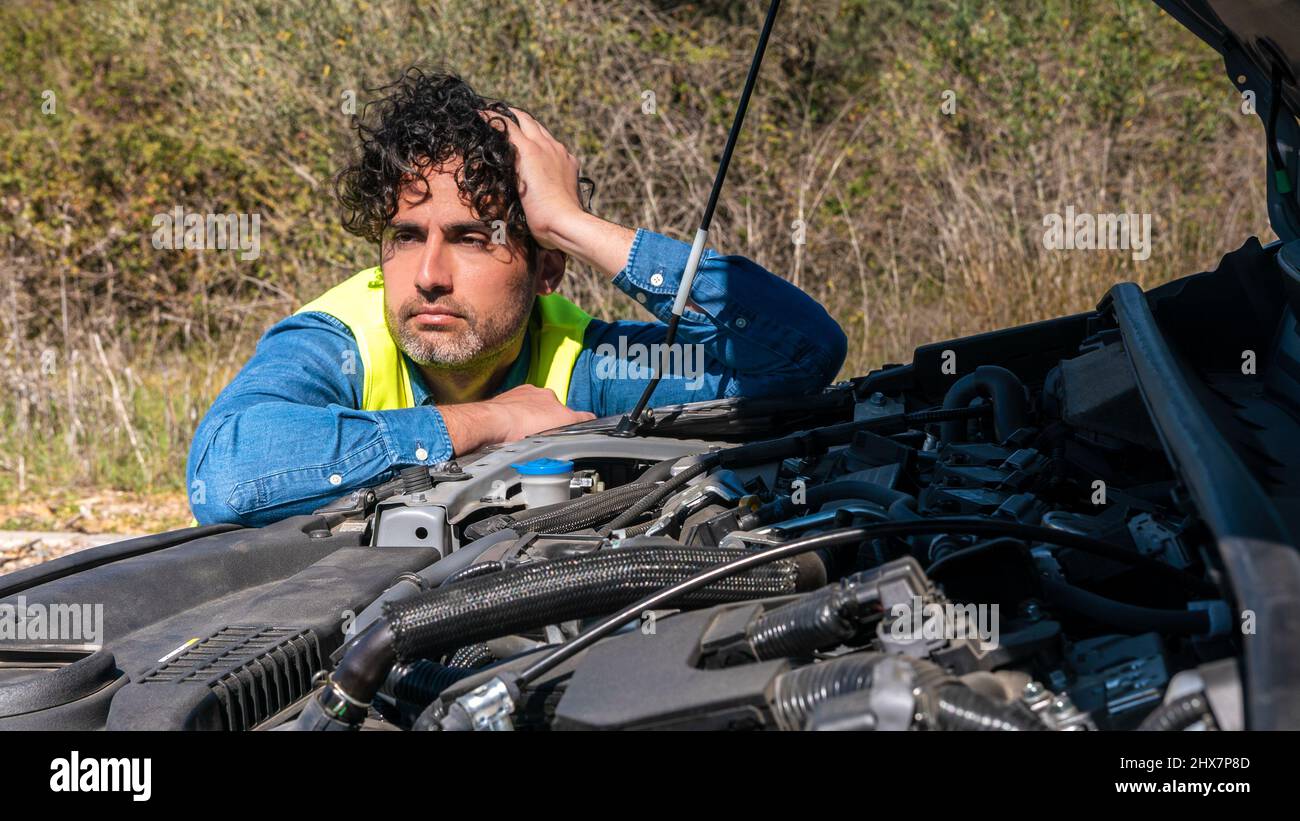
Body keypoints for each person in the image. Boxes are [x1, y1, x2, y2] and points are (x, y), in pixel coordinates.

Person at [187, 68, 846, 526]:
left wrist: (571, 223)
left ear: (548, 271)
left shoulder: (584, 363)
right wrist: (494, 420)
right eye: (406, 237)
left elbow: (798, 354)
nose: (428, 274)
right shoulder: (340, 338)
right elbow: (226, 473)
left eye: (473, 239)